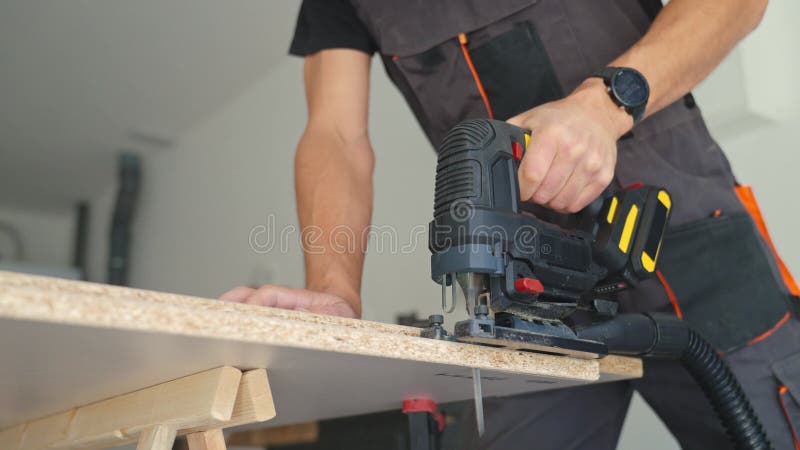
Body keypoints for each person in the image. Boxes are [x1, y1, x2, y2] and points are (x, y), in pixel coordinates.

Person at [221, 0, 800, 448]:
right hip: (519, 289)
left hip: (684, 242)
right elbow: (335, 136)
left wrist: (601, 108)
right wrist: (334, 288)